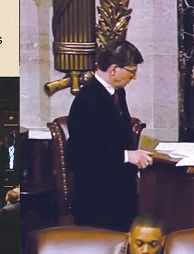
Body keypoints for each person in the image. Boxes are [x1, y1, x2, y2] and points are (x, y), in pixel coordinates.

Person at [66, 40, 154, 232]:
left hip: (119, 194)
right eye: (131, 71)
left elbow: (116, 138)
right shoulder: (87, 100)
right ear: (114, 69)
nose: (135, 77)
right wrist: (126, 156)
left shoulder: (117, 93)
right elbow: (80, 157)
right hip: (97, 201)